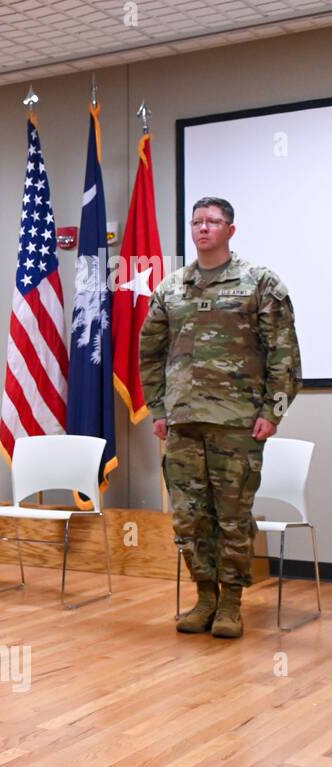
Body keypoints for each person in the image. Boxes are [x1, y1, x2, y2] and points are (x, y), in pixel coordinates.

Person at [141, 196, 302, 639]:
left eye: (213, 221)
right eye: (197, 222)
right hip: (183, 423)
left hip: (238, 423)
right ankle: (204, 597)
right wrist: (158, 408)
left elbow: (285, 355)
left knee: (233, 516)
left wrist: (274, 413)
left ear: (231, 229)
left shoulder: (259, 283)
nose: (203, 228)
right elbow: (150, 352)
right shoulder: (170, 288)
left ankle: (231, 602)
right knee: (190, 517)